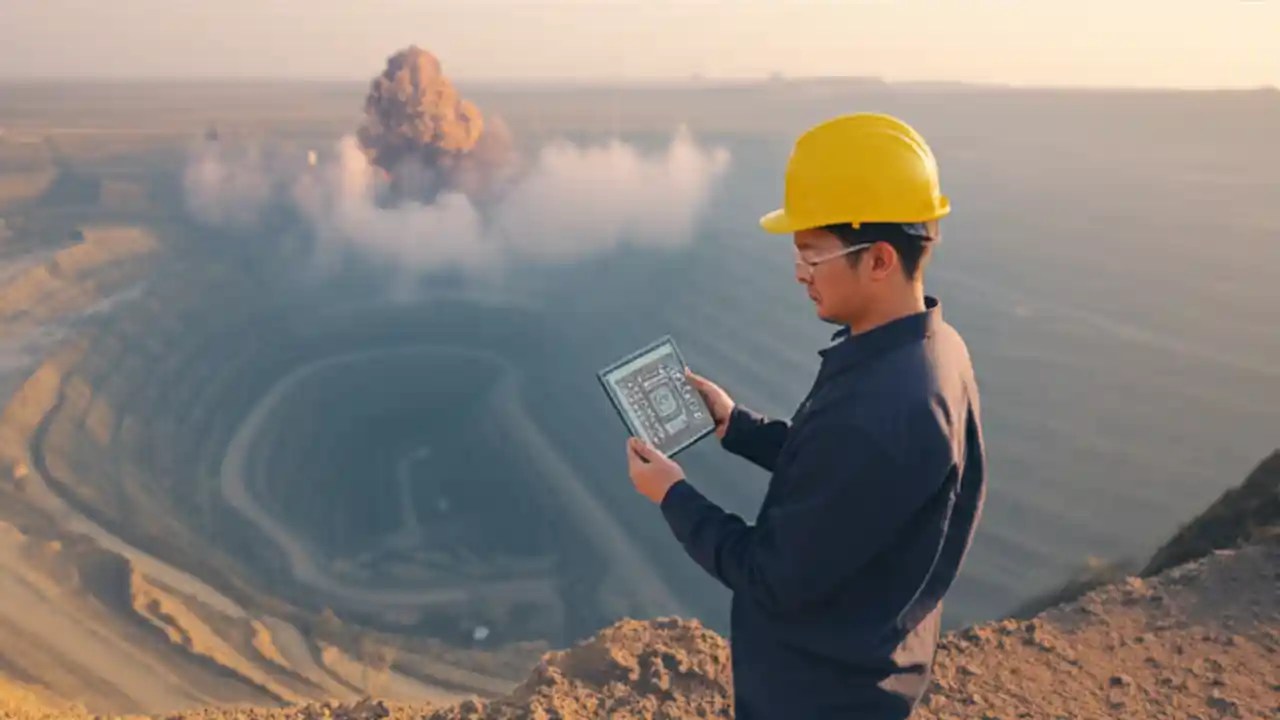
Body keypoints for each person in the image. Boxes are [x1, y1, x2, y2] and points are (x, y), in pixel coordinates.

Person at [626, 113, 986, 718]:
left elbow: (769, 576)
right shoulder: (930, 351)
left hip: (820, 693)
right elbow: (848, 478)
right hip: (868, 667)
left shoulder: (882, 405)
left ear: (878, 260)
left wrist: (672, 494)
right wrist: (737, 426)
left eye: (812, 256)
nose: (799, 273)